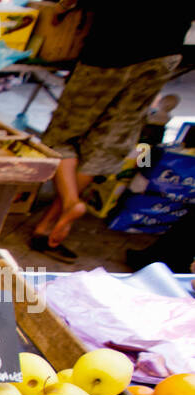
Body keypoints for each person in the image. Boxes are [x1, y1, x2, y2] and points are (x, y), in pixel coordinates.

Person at [30, 0, 192, 260]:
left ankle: (71, 202)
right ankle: (49, 224)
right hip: (163, 50)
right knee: (106, 142)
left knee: (62, 135)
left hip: (110, 49)